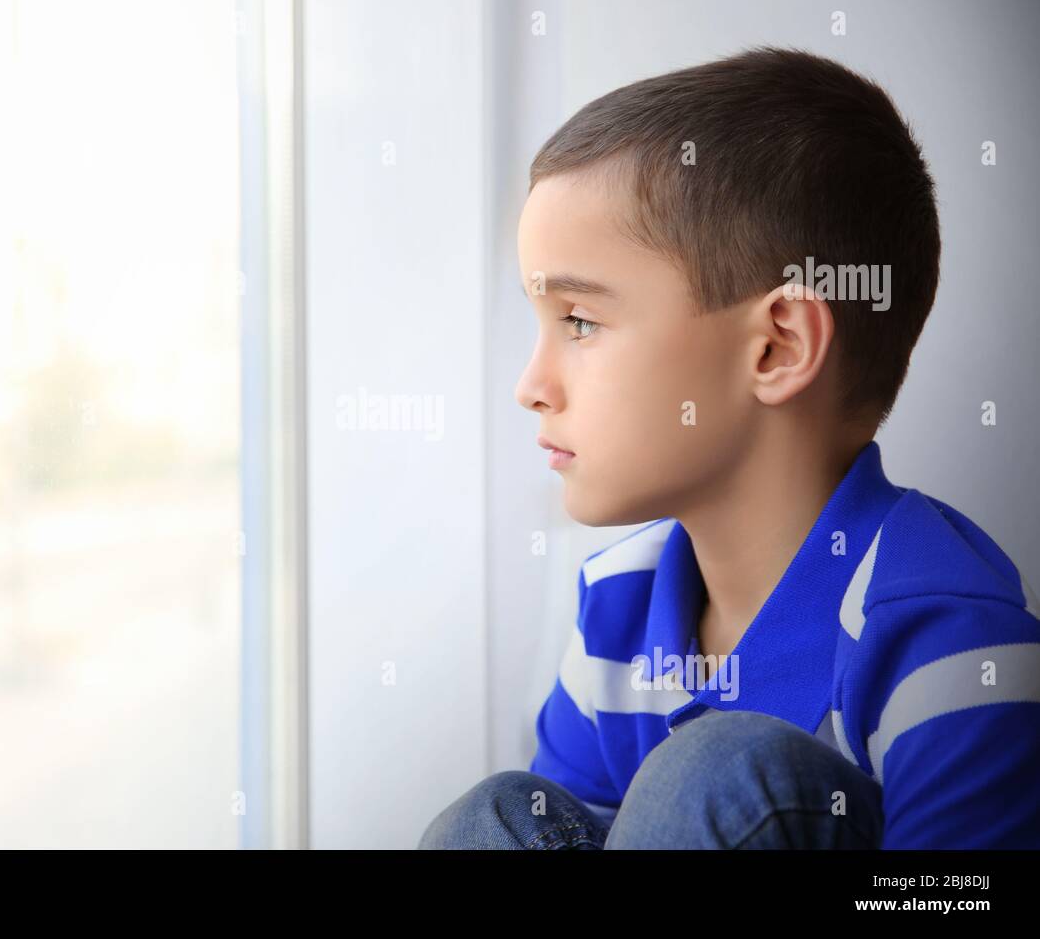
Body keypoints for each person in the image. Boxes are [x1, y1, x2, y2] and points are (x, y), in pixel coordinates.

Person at [419, 46, 1040, 850]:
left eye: (579, 321)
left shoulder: (940, 635)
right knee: (496, 816)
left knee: (718, 772)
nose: (530, 385)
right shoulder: (619, 606)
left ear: (777, 349)